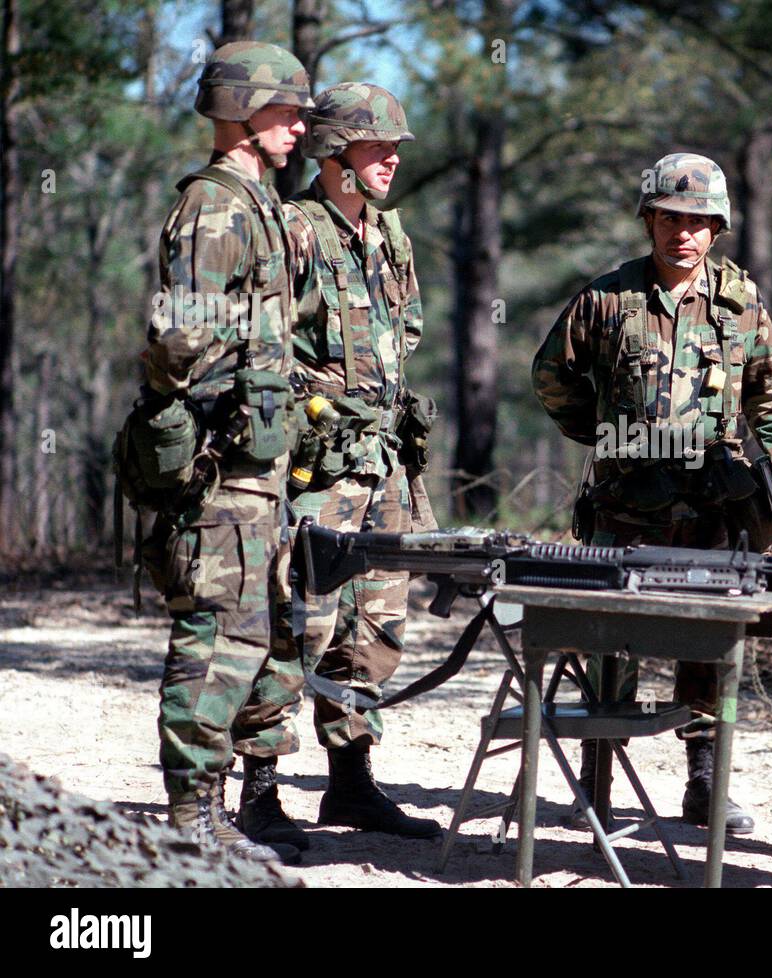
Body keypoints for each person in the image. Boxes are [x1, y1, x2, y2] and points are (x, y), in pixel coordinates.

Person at [531, 153, 772, 834]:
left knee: (710, 645)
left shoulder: (742, 307)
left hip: (713, 513)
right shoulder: (606, 299)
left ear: (715, 228)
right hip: (625, 511)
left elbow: (771, 404)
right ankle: (596, 787)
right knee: (609, 647)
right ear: (649, 221)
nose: (681, 233)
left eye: (695, 221)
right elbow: (552, 377)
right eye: (668, 218)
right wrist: (607, 439)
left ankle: (706, 783)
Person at [230, 83, 442, 848]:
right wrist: (316, 402)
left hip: (383, 465)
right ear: (333, 153)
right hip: (315, 472)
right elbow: (260, 343)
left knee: (374, 627)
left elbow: (405, 327)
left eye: (394, 148)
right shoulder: (293, 230)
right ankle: (257, 791)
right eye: (375, 147)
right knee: (299, 624)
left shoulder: (389, 236)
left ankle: (351, 785)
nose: (390, 160)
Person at [141, 41, 313, 863]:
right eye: (288, 108)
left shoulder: (259, 203)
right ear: (244, 112)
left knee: (251, 631)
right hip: (222, 465)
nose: (301, 123)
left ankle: (219, 808)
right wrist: (230, 391)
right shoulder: (218, 207)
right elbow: (177, 341)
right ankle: (190, 816)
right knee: (216, 632)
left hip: (255, 464)